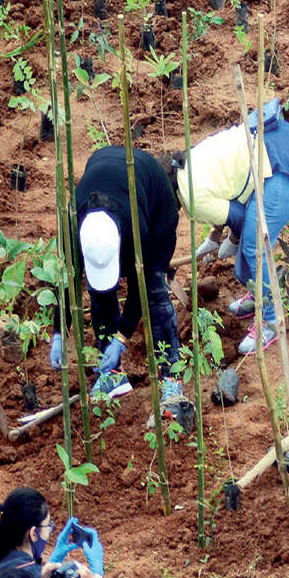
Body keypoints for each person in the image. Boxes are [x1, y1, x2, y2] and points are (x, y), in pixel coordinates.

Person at [171, 97, 289, 355]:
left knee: (254, 246)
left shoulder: (190, 197)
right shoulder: (186, 164)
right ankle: (257, 295)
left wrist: (231, 240)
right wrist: (214, 238)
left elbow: (238, 217)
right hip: (276, 139)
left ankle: (271, 321)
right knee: (249, 241)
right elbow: (223, 191)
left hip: (277, 166)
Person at [51, 147, 182, 401]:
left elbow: (140, 288)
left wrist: (121, 337)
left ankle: (170, 375)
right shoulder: (72, 229)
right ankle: (112, 374)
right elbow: (67, 281)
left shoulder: (138, 231)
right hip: (102, 164)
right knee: (99, 295)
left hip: (154, 197)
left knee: (154, 292)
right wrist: (58, 331)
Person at [0, 488, 105, 578]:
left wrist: (53, 561)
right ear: (34, 534)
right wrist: (97, 575)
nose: (50, 530)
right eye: (49, 526)